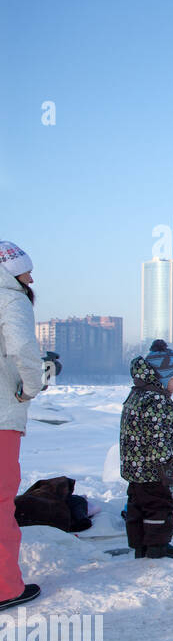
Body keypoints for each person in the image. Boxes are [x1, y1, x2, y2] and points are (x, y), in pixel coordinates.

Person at [0, 241, 46, 612]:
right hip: (1, 416)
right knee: (0, 502)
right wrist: (31, 387)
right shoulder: (11, 300)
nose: (32, 277)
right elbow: (23, 348)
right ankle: (5, 589)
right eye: (26, 271)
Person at [120, 340, 173, 559]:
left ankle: (141, 546)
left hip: (136, 470)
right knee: (160, 506)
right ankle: (157, 547)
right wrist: (167, 465)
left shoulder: (136, 395)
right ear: (163, 377)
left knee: (138, 506)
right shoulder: (158, 401)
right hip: (155, 471)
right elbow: (158, 438)